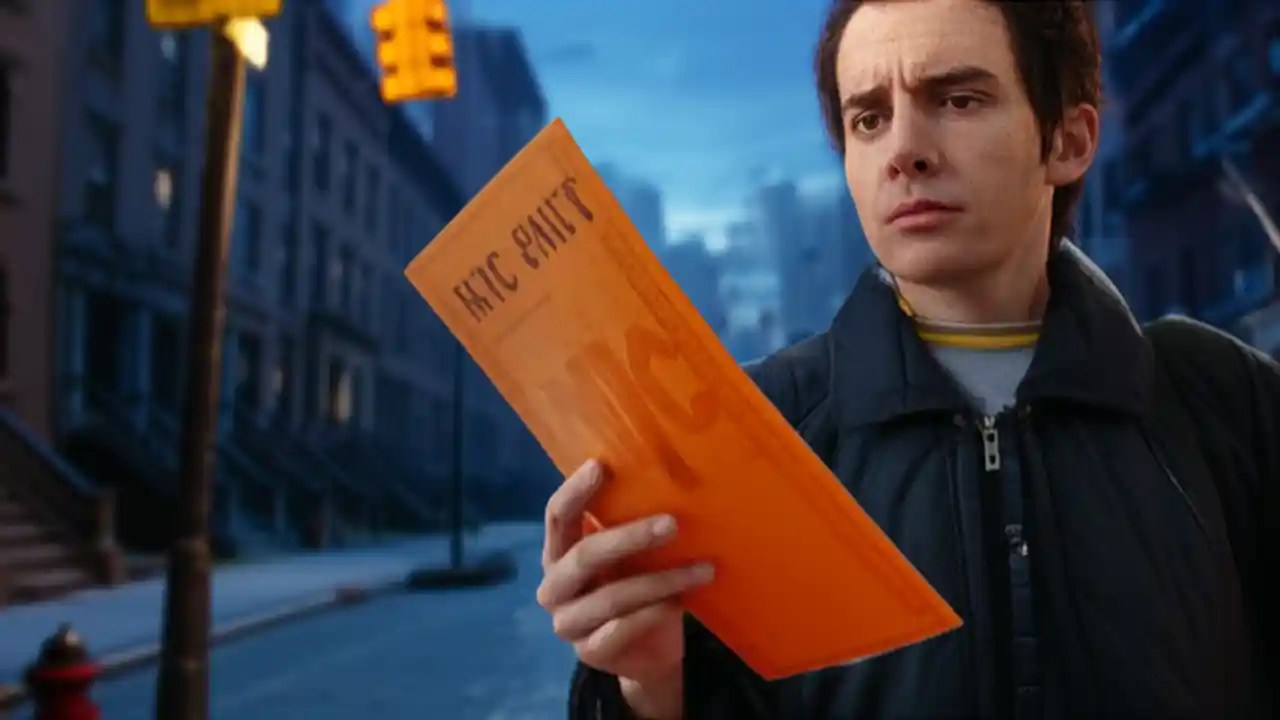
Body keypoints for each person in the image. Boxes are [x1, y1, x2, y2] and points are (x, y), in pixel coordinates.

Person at [537, 0, 1280, 717]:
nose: (904, 151)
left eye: (957, 100)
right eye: (869, 119)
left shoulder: (1223, 399)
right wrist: (649, 690)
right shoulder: (757, 429)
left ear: (1069, 140)